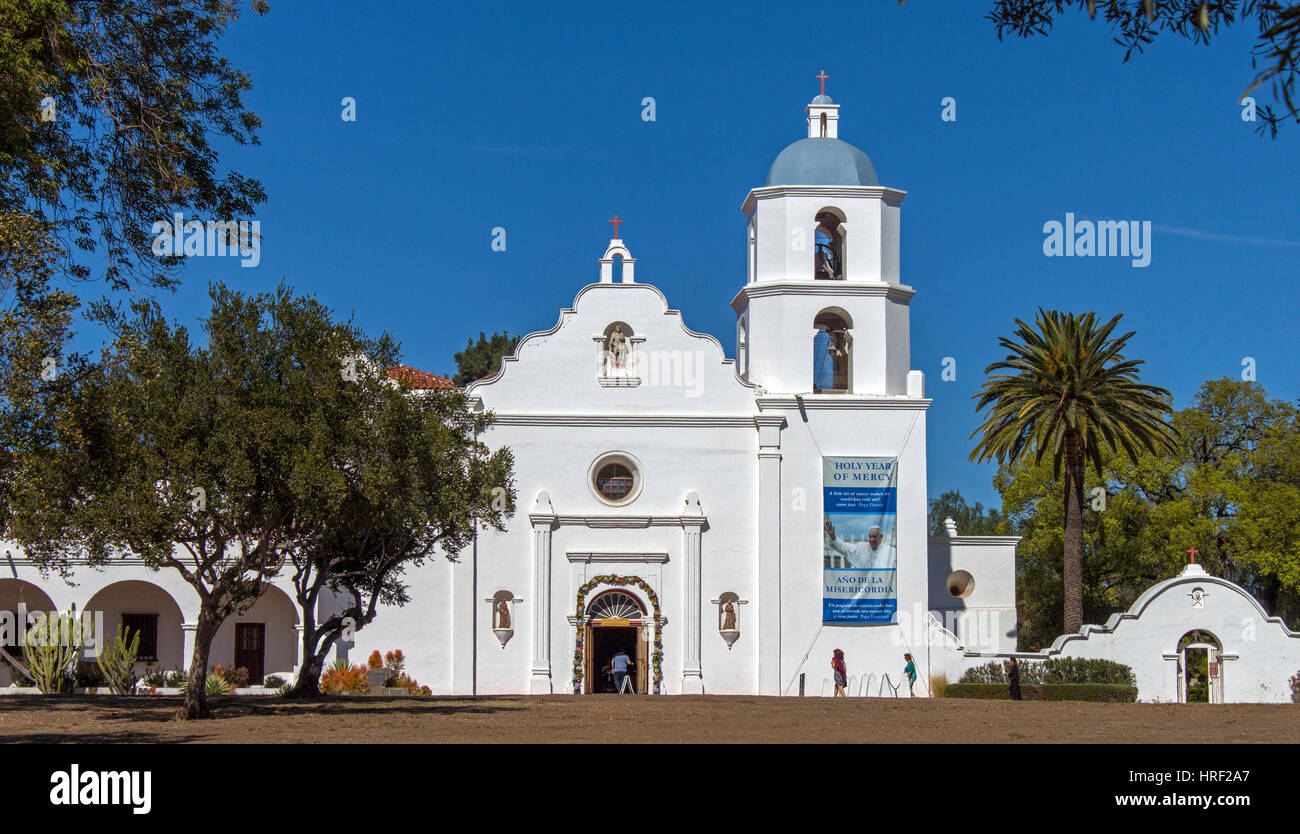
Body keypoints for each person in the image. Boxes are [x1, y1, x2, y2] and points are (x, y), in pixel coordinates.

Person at [824, 518, 897, 570]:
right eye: (870, 536)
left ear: (881, 537)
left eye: (874, 536)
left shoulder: (891, 551)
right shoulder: (862, 547)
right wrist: (833, 536)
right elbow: (844, 548)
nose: (871, 540)